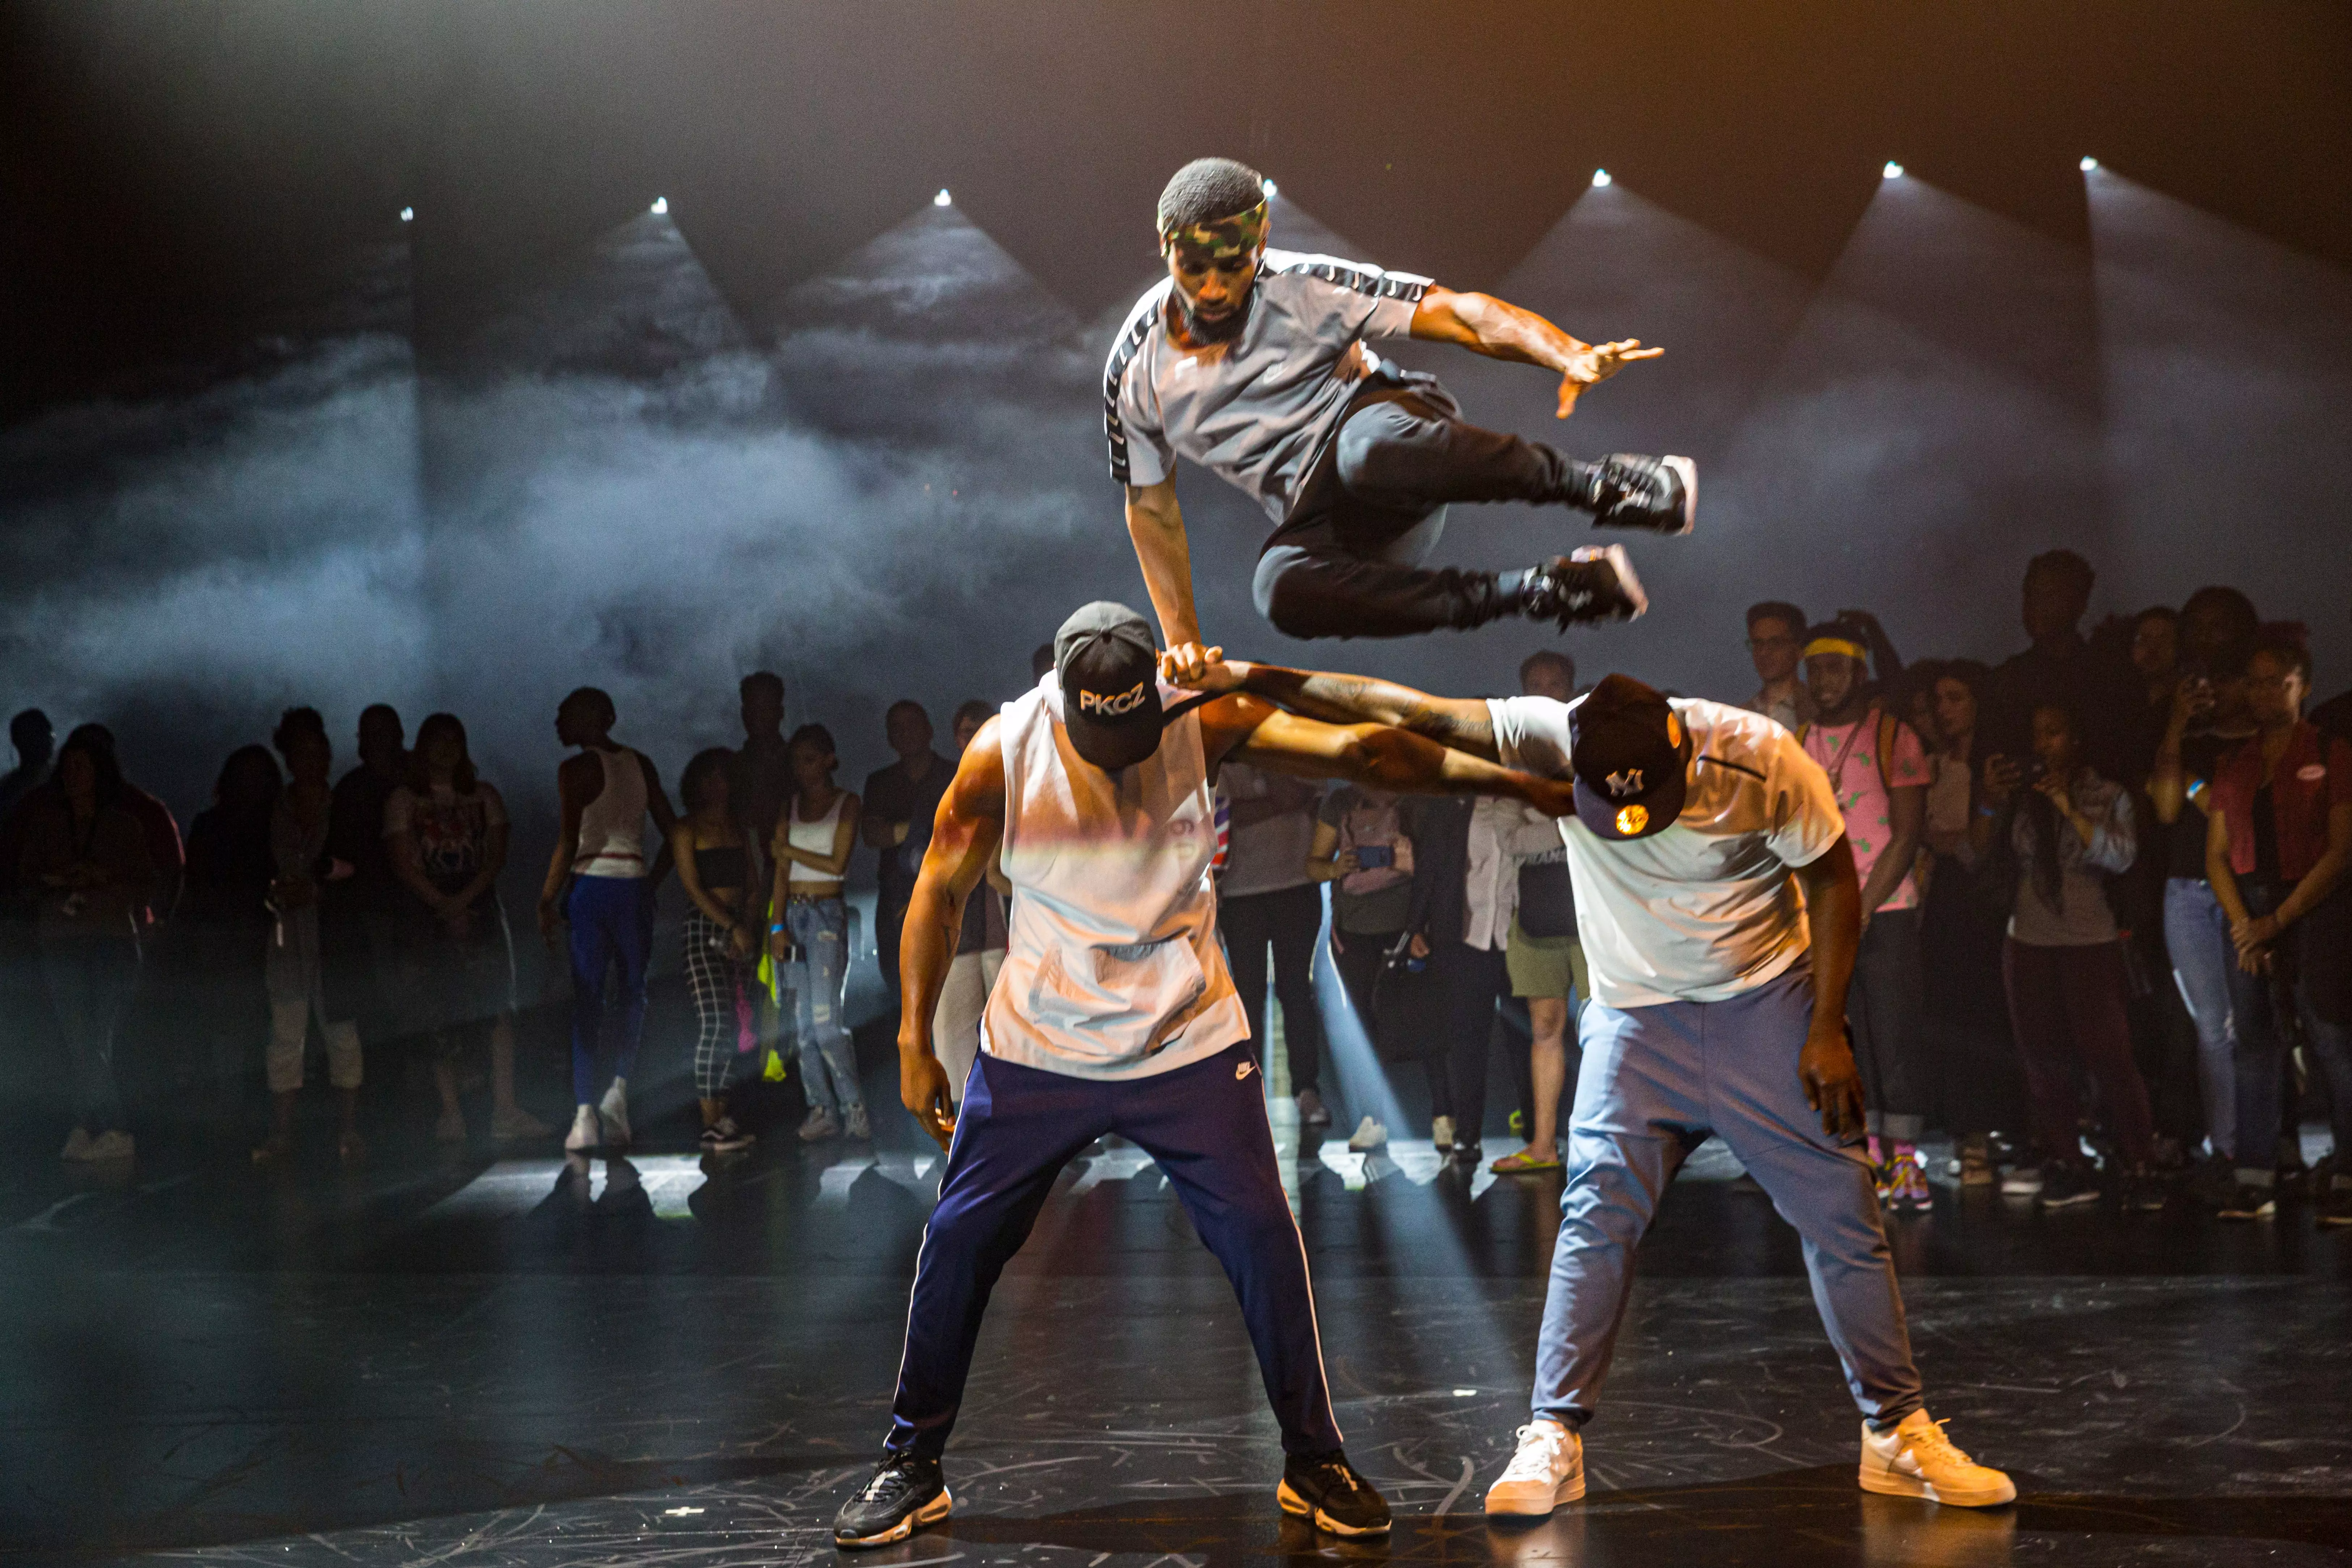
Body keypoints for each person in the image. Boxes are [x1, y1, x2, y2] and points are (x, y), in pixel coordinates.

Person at [1170, 655, 2015, 1520]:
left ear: (1684, 752)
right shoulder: (1548, 736)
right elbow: (1403, 709)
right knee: (1593, 1219)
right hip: (1633, 1020)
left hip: (1760, 1001)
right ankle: (1553, 1434)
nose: (1632, 826)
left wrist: (1826, 1025)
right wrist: (1250, 673)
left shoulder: (1761, 757)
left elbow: (1831, 878)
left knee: (1843, 1211)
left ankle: (1894, 1430)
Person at [829, 602, 1583, 1548]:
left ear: (1157, 694)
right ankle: (912, 1461)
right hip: (1038, 1044)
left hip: (1185, 1039)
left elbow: (1369, 754)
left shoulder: (1201, 715)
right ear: (1057, 698)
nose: (1114, 751)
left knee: (1266, 1237)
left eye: (1131, 726)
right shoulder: (1001, 751)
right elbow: (936, 890)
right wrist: (911, 1039)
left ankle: (1313, 1456)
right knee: (958, 1240)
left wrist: (1515, 780)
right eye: (1096, 730)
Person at [1114, 156, 1674, 670]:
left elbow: (1459, 316)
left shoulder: (1309, 287)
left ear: (1262, 241)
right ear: (1166, 248)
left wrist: (1565, 353)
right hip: (1341, 518)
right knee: (1278, 588)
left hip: (1393, 433)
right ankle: (1543, 590)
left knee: (1366, 454)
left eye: (1233, 268)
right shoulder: (1135, 367)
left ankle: (1603, 485)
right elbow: (1151, 505)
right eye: (1194, 270)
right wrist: (1182, 639)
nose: (1213, 289)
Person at [1977, 701, 2159, 1209]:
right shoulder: (2020, 797)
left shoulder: (2107, 793)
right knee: (2043, 1060)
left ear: (2076, 739)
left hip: (2090, 939)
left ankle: (2141, 1159)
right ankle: (2067, 1161)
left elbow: (2120, 856)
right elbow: (1976, 854)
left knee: (2110, 1055)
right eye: (2036, 734)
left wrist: (2069, 808)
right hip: (2029, 939)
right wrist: (1991, 802)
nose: (2042, 745)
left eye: (2053, 733)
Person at [2205, 638, 2352, 1224]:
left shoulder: (2331, 751)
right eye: (2258, 682)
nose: (2268, 693)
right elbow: (2215, 852)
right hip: (2250, 907)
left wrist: (2279, 920)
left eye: (2280, 681)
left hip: (2312, 904)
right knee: (2255, 1040)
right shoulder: (2234, 764)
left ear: (2303, 685)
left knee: (2332, 1039)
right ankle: (2256, 1175)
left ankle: (2347, 1173)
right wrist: (2246, 925)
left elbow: (2342, 849)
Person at [1797, 624, 1934, 1211]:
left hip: (1887, 908)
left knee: (1895, 1030)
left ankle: (1906, 1161)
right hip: (1827, 914)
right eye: (1815, 667)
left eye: (1835, 666)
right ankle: (1869, 1151)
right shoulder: (1798, 740)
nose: (1823, 679)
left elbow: (1907, 835)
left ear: (1859, 672)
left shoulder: (1893, 736)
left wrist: (1865, 906)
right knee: (1846, 1032)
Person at [393, 714, 547, 1146]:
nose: (446, 748)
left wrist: (465, 900)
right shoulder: (404, 799)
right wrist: (442, 903)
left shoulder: (484, 795)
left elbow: (496, 855)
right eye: (437, 740)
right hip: (428, 913)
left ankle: (505, 1108)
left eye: (454, 740)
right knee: (436, 1010)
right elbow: (402, 860)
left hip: (479, 906)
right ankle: (451, 1113)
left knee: (498, 1007)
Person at [537, 688, 675, 1153]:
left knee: (588, 1000)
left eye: (565, 713)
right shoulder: (642, 763)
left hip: (593, 884)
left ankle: (584, 1115)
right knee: (632, 993)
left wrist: (546, 898)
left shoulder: (575, 770)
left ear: (593, 717)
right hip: (631, 882)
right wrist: (649, 883)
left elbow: (566, 842)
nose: (557, 720)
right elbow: (673, 833)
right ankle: (617, 1092)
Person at [2149, 619, 2258, 1174]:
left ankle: (2260, 1142)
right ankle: (2229, 1144)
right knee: (2211, 1025)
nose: (2211, 692)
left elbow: (2231, 812)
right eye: (2201, 683)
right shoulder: (2187, 740)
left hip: (2249, 888)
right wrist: (2175, 723)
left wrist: (2199, 790)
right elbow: (2167, 807)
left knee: (2256, 1022)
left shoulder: (2269, 739)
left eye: (2223, 680)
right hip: (2188, 891)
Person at [22, 726, 157, 1163]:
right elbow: (25, 880)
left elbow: (145, 885)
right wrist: (56, 880)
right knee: (77, 1035)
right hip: (61, 939)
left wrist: (103, 879)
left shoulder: (123, 825)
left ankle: (112, 1125)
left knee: (99, 1034)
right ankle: (96, 1122)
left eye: (84, 766)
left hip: (112, 939)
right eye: (69, 766)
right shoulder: (46, 826)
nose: (74, 774)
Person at [1915, 661, 2021, 1186]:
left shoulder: (1992, 763)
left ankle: (1987, 1137)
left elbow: (1981, 850)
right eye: (1938, 699)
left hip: (1981, 905)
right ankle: (1966, 1133)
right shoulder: (1933, 761)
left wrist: (1949, 837)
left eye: (1955, 698)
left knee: (1984, 1017)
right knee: (1950, 1018)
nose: (1943, 709)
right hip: (1939, 903)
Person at [254, 709, 366, 1164]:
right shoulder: (272, 808)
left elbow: (363, 867)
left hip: (333, 934)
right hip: (286, 934)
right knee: (285, 1035)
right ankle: (282, 1133)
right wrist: (277, 892)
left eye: (320, 750)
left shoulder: (344, 806)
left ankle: (349, 1131)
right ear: (288, 756)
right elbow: (253, 869)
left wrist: (317, 887)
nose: (313, 759)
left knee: (342, 1033)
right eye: (302, 751)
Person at [1496, 650, 1590, 1175]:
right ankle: (1543, 1143)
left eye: (1556, 684)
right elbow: (1509, 836)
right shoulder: (1512, 756)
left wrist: (1557, 818)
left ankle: (1605, 1143)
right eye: (1537, 685)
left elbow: (1612, 822)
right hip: (1534, 909)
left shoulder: (1594, 745)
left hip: (1594, 908)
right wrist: (1573, 817)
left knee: (1604, 1025)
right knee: (1545, 1025)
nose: (1547, 692)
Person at [1217, 757, 1331, 1126]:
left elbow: (1303, 797)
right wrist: (1279, 802)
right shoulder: (1222, 757)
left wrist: (1271, 772)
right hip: (1239, 891)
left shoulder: (1291, 747)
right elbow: (1223, 815)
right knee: (1247, 994)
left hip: (1296, 884)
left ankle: (1306, 1090)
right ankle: (1248, 1093)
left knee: (1296, 988)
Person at [775, 723, 865, 1141]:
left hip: (827, 914)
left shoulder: (847, 803)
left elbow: (836, 864)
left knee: (827, 1020)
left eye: (810, 759)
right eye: (796, 761)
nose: (802, 768)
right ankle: (821, 1108)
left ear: (829, 759)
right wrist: (775, 925)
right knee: (800, 1024)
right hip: (793, 914)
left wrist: (788, 850)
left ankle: (854, 1107)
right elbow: (780, 872)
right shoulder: (789, 805)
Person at [179, 745, 283, 1107]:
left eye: (258, 777)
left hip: (264, 938)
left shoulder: (276, 826)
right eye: (245, 777)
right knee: (228, 1026)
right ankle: (234, 1105)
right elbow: (195, 886)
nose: (251, 785)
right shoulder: (210, 825)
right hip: (223, 941)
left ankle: (247, 1105)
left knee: (263, 1025)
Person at [1982, 550, 2139, 780]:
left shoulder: (2112, 676)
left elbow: (2133, 762)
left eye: (2050, 595)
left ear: (2080, 603)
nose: (2035, 605)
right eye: (2030, 595)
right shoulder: (2006, 679)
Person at [671, 748, 758, 1154]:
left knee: (731, 1025)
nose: (716, 786)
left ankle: (723, 1118)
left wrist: (748, 924)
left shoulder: (739, 827)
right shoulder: (686, 828)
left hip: (740, 927)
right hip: (706, 927)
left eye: (722, 778)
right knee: (712, 1022)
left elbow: (753, 881)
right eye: (707, 779)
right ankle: (710, 1123)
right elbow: (692, 887)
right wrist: (731, 924)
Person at [930, 701, 1009, 1105]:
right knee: (954, 1035)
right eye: (965, 730)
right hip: (957, 931)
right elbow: (917, 853)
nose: (972, 736)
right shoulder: (945, 784)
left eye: (979, 728)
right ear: (955, 737)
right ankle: (963, 1127)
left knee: (1013, 1035)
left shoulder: (1015, 776)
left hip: (1002, 928)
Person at [329, 705, 410, 1052]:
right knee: (385, 999)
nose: (374, 740)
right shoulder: (350, 789)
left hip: (421, 904)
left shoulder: (419, 780)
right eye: (368, 733)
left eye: (382, 731)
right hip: (374, 910)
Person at [863, 701, 951, 1000]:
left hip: (947, 893)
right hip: (894, 899)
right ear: (889, 738)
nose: (905, 733)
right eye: (896, 728)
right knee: (899, 989)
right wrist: (927, 826)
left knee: (949, 988)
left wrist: (900, 831)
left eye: (912, 724)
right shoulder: (880, 783)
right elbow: (873, 836)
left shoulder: (954, 773)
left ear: (929, 729)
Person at [1309, 783, 1415, 1031]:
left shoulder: (1414, 798)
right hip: (1356, 931)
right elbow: (1314, 866)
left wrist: (1411, 862)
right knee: (1364, 1016)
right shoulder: (1342, 802)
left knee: (1406, 1015)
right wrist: (1336, 868)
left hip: (1407, 928)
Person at [730, 672, 794, 1069]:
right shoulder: (735, 767)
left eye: (767, 706)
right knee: (747, 974)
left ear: (780, 711)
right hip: (747, 879)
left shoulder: (796, 761)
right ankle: (754, 1060)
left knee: (788, 973)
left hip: (789, 874)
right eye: (752, 707)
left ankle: (782, 1061)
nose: (758, 715)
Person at [1743, 602, 1815, 732]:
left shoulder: (1818, 711)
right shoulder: (1742, 716)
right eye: (1758, 643)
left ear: (1799, 650)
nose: (1764, 652)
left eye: (1776, 643)